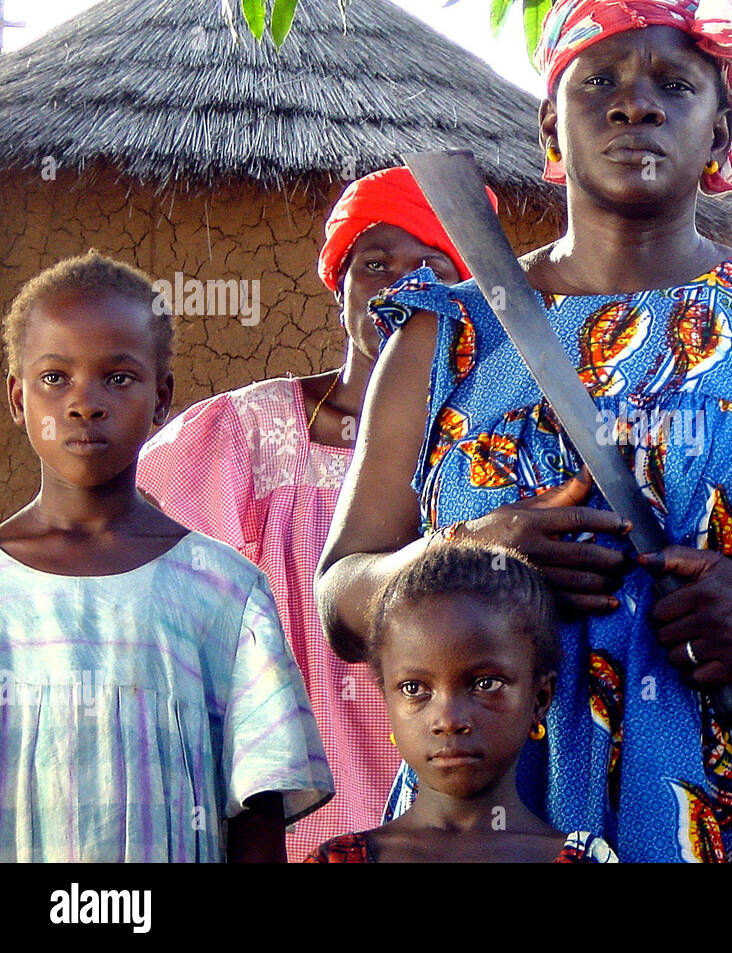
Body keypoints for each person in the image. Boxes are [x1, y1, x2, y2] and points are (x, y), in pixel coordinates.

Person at [318, 0, 732, 862]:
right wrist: (461, 556)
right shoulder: (444, 339)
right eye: (600, 82)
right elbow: (342, 595)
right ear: (553, 122)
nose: (637, 105)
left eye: (674, 83)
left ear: (721, 124)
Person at [137, 168, 487, 860]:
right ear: (340, 285)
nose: (402, 285)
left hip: (449, 799)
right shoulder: (248, 434)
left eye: (431, 265)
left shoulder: (489, 444)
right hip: (294, 803)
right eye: (375, 264)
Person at [0, 252, 332, 861]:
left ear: (162, 399)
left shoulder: (225, 593)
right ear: (18, 399)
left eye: (118, 378)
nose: (85, 403)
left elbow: (257, 820)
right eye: (55, 378)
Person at [306, 541, 617, 862]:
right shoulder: (339, 858)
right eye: (414, 688)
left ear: (539, 699)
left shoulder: (584, 858)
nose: (449, 719)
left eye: (485, 684)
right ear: (387, 702)